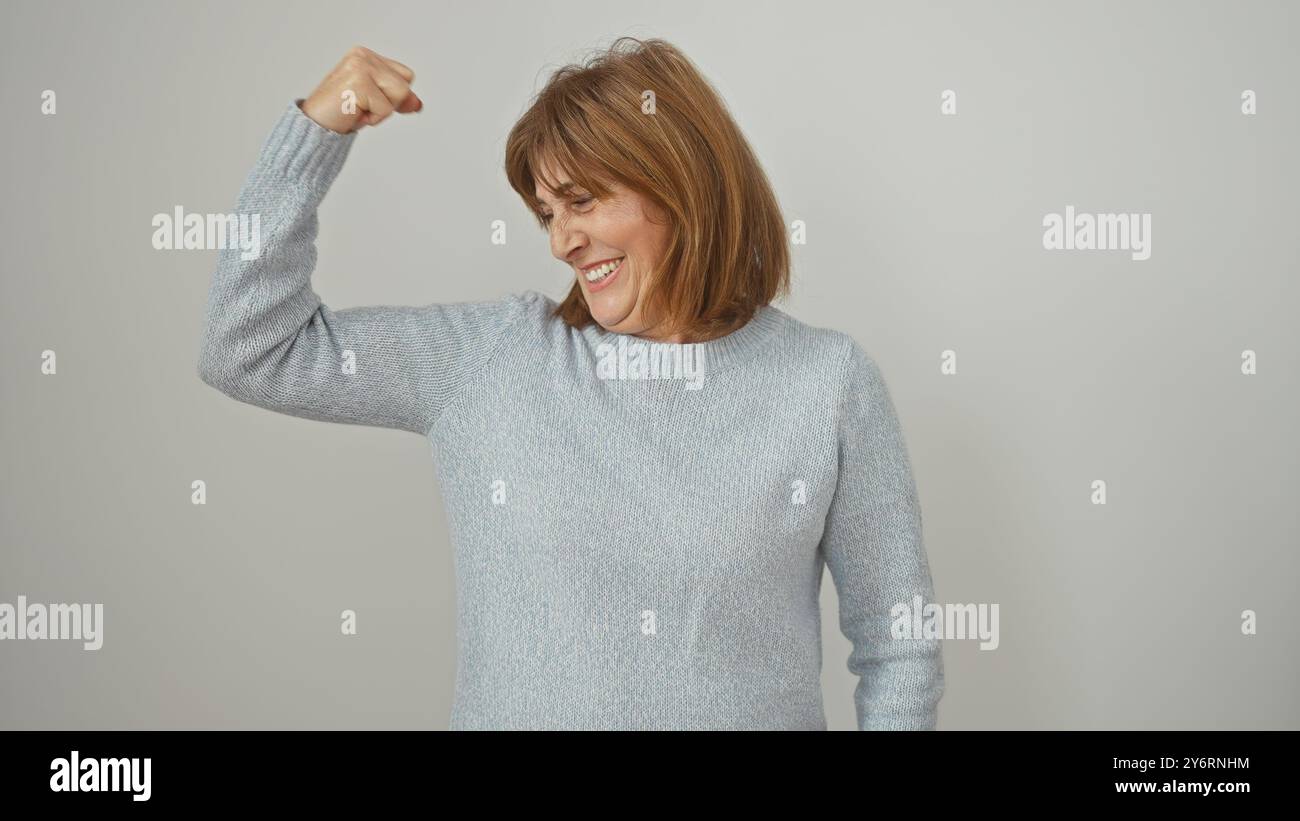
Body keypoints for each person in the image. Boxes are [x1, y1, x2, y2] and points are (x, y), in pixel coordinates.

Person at [197, 37, 944, 730]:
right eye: (547, 213)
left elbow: (898, 646)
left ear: (679, 184)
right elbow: (249, 349)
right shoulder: (490, 360)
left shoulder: (827, 383)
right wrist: (316, 135)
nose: (561, 240)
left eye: (583, 203)